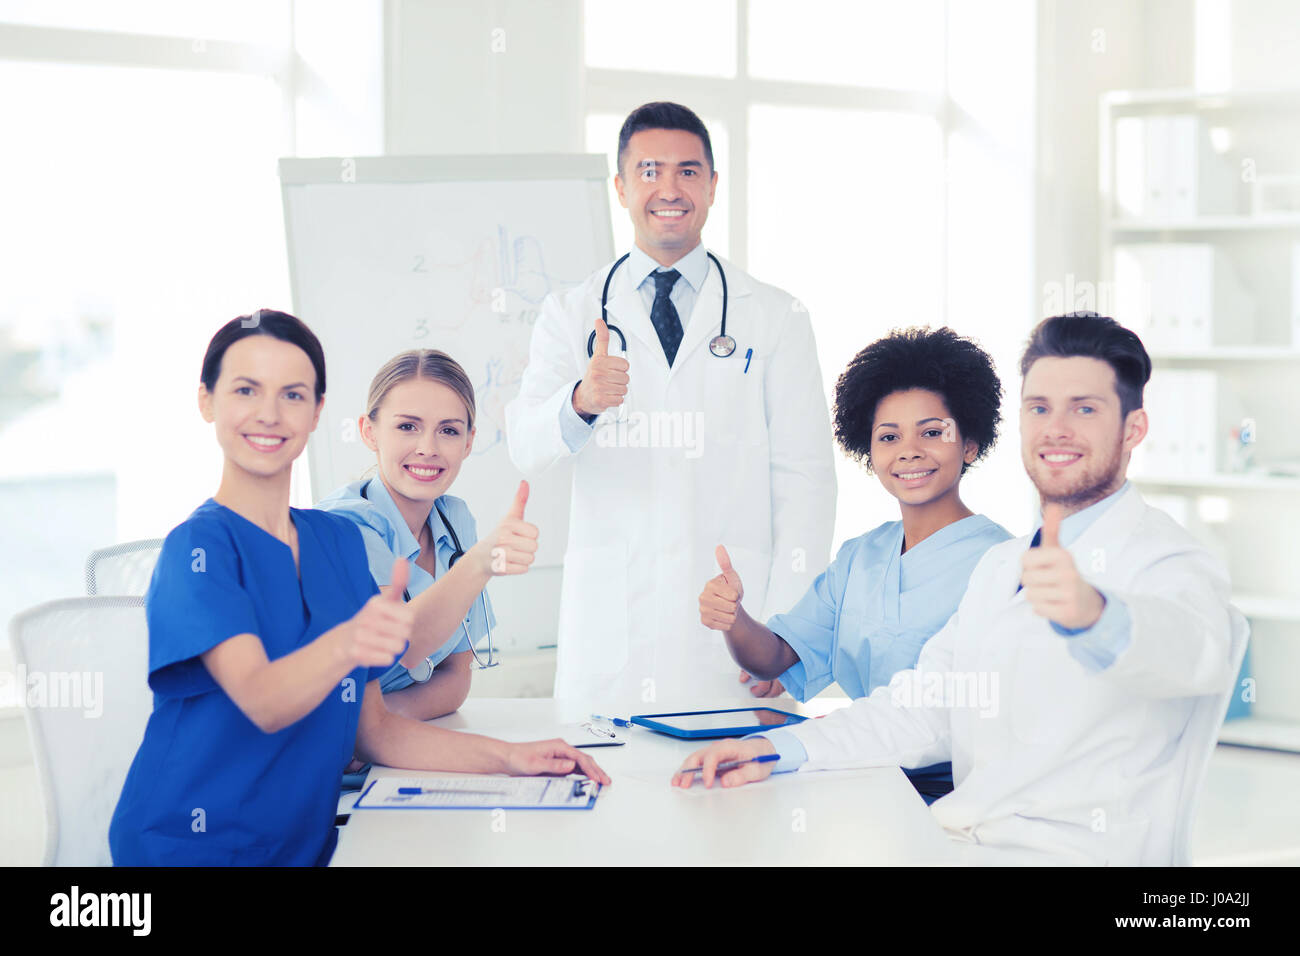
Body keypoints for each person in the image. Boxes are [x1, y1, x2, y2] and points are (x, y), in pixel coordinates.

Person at [673, 313, 1238, 866]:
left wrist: (1097, 617)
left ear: (1133, 428)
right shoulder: (1003, 566)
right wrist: (775, 752)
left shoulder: (1170, 561)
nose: (1057, 428)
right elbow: (922, 708)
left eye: (1084, 409)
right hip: (962, 841)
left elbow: (1195, 651)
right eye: (1039, 408)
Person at [109, 311, 608, 867]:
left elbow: (376, 732)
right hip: (189, 848)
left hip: (306, 848)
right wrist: (352, 641)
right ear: (206, 402)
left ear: (317, 412)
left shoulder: (336, 542)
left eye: (293, 395)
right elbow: (263, 702)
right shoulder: (197, 551)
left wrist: (513, 759)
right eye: (246, 389)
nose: (270, 413)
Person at [505, 102, 836, 707]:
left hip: (736, 628)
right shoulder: (570, 313)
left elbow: (805, 478)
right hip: (614, 633)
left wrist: (785, 634)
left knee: (735, 794)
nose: (669, 188)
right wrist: (581, 401)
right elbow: (527, 446)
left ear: (712, 186)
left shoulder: (775, 315)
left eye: (688, 171)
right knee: (612, 792)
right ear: (622, 187)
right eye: (650, 170)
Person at [697, 328, 1012, 803]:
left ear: (970, 444)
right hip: (856, 772)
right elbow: (773, 659)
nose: (909, 450)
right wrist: (734, 618)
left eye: (932, 432)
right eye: (889, 437)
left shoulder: (1003, 563)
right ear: (871, 452)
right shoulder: (860, 557)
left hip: (956, 795)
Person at [319, 349, 529, 722]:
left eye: (448, 430)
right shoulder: (344, 526)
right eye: (407, 426)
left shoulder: (455, 519)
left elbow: (455, 677)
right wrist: (481, 562)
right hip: (322, 752)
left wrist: (377, 726)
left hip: (382, 742)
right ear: (369, 431)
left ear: (467, 442)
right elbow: (407, 646)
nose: (428, 449)